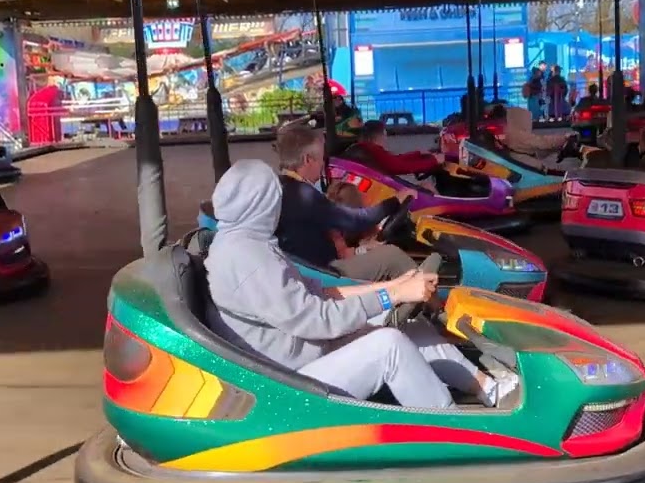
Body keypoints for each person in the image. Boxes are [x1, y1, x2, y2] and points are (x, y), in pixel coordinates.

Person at [204, 159, 519, 409]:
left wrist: (394, 288)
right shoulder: (247, 259)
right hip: (291, 384)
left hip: (307, 351)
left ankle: (489, 388)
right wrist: (390, 295)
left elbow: (321, 292)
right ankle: (458, 433)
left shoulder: (249, 243)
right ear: (262, 203)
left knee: (409, 325)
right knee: (389, 345)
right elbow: (318, 320)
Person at [275, 124, 416, 281]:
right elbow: (357, 220)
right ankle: (435, 304)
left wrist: (360, 250)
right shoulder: (303, 195)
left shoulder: (280, 187)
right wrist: (396, 200)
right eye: (321, 159)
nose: (322, 165)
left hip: (309, 269)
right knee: (392, 256)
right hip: (323, 274)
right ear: (308, 160)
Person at [497, 104, 579, 170]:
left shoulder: (511, 133)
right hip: (529, 170)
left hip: (526, 166)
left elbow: (538, 150)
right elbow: (543, 143)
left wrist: (556, 149)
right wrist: (564, 138)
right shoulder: (516, 134)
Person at [353, 120, 443, 177]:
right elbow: (399, 166)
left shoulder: (365, 148)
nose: (386, 138)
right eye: (385, 134)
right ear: (379, 135)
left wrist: (418, 154)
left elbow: (394, 160)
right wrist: (434, 161)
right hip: (382, 193)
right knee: (427, 188)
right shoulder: (373, 150)